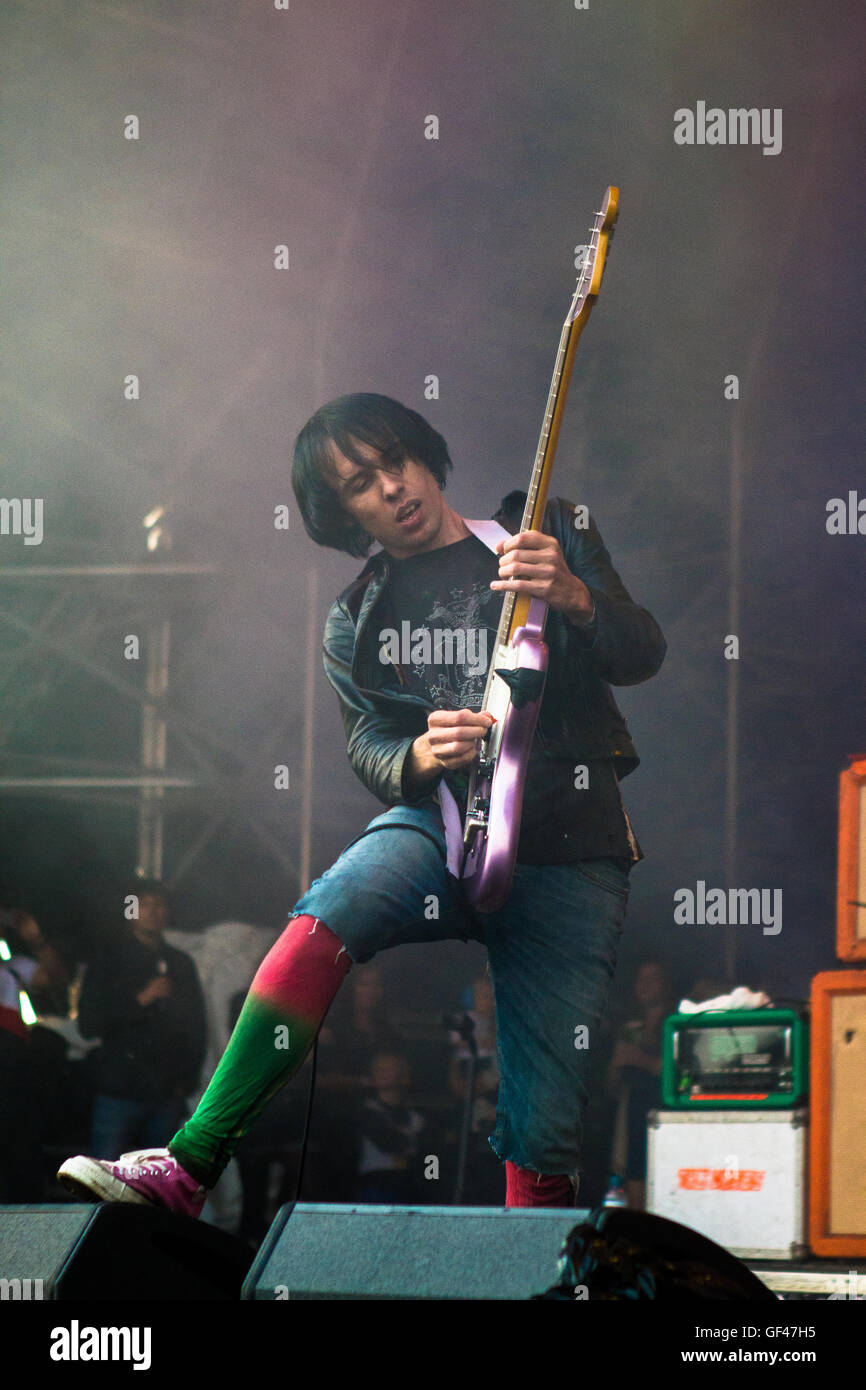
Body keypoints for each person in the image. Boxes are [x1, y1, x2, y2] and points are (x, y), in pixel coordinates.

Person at [58, 392, 665, 1214]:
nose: (390, 488)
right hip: (440, 823)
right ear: (341, 514)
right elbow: (369, 746)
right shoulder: (355, 618)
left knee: (545, 1123)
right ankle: (188, 1169)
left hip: (572, 846)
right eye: (358, 485)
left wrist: (575, 596)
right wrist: (419, 755)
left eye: (395, 461)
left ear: (425, 455)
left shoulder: (543, 529)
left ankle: (538, 1269)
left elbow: (641, 652)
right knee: (329, 911)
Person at [76, 880, 207, 1158]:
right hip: (119, 1090)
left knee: (158, 1175)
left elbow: (196, 1025)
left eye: (160, 905)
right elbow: (88, 1023)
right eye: (144, 904)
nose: (153, 911)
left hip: (166, 1092)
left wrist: (187, 1080)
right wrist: (141, 1000)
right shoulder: (108, 961)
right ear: (130, 911)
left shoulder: (180, 963)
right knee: (105, 1173)